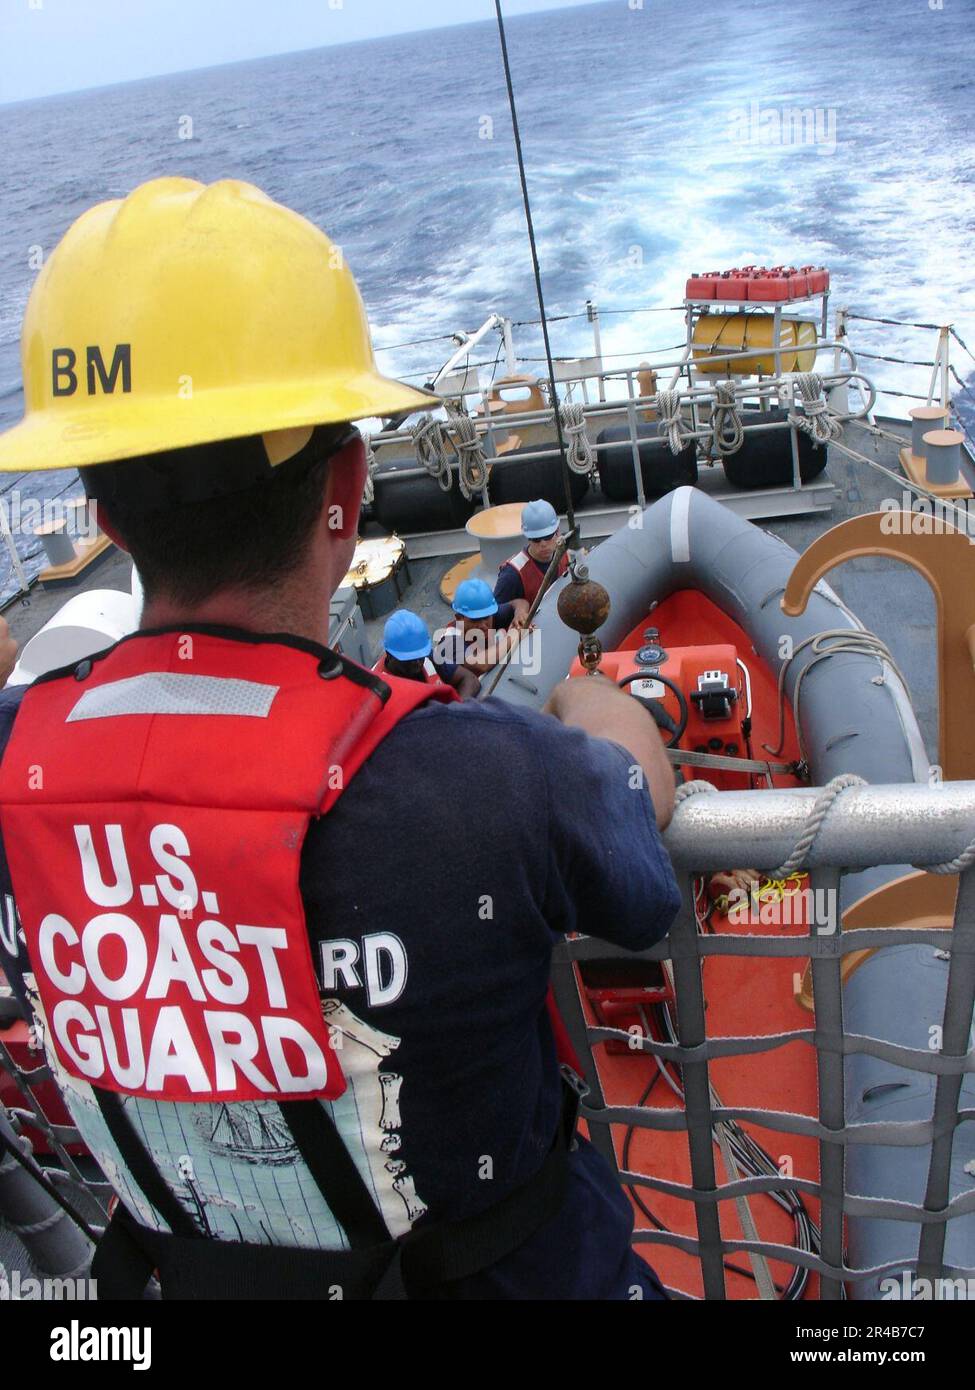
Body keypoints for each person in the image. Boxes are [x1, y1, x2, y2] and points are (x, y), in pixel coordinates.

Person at [0, 176, 680, 1301]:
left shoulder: (16, 754)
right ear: (350, 489)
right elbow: (635, 857)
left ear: (105, 518)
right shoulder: (487, 775)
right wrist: (610, 713)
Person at [378, 609, 480, 700]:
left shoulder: (428, 657)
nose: (417, 662)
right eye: (410, 659)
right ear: (389, 655)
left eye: (420, 655)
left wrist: (458, 711)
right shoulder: (379, 690)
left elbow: (471, 680)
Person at [439, 577, 530, 678]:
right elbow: (480, 665)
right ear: (459, 618)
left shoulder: (488, 615)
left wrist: (520, 614)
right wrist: (513, 636)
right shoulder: (449, 641)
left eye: (486, 617)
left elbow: (519, 603)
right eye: (475, 620)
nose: (483, 625)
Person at [494, 498, 570, 610]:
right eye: (536, 539)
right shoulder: (512, 574)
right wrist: (517, 606)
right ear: (528, 537)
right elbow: (494, 615)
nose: (543, 544)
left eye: (548, 537)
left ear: (557, 532)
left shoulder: (567, 555)